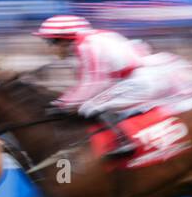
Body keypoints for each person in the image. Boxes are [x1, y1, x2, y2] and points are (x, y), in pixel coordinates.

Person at [35, 14, 170, 158]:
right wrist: (64, 102)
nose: (50, 48)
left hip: (138, 81)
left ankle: (124, 141)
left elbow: (94, 83)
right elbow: (88, 82)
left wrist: (62, 104)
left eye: (50, 42)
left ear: (64, 39)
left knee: (90, 106)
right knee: (89, 103)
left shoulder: (86, 45)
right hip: (134, 78)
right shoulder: (90, 40)